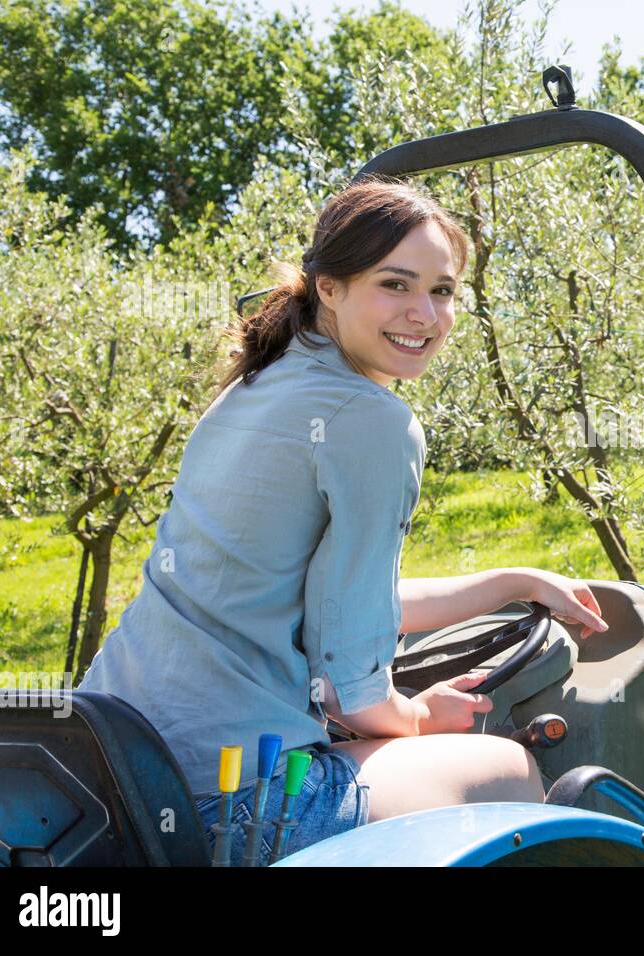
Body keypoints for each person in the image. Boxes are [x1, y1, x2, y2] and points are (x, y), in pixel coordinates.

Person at [78, 175, 609, 865]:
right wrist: (420, 717)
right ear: (329, 286)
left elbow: (329, 604)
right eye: (396, 284)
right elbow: (353, 691)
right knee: (505, 767)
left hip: (102, 765)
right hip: (226, 802)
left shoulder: (255, 381)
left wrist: (512, 580)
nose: (425, 313)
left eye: (442, 291)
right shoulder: (372, 419)